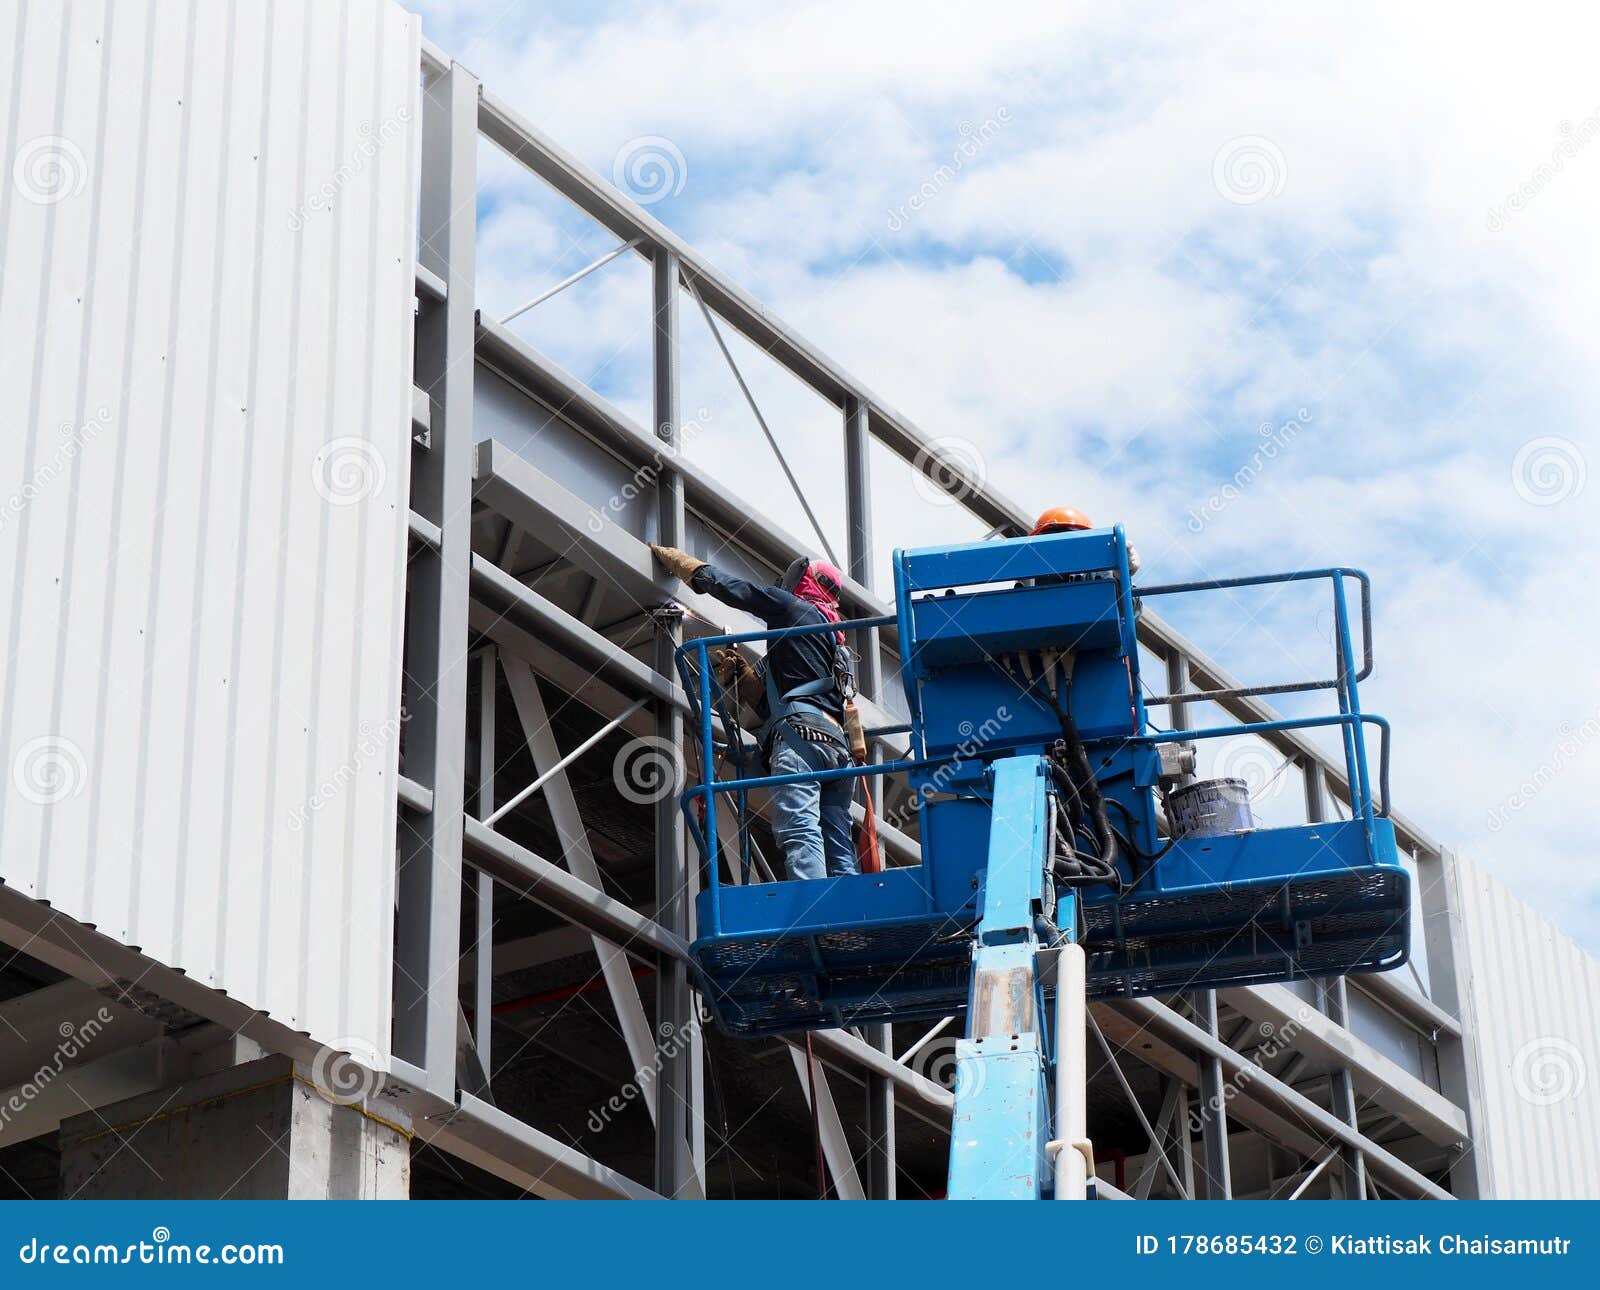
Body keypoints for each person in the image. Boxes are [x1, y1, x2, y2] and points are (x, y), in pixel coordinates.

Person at [650, 544, 857, 882]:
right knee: (839, 846)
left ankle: (819, 917)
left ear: (802, 582)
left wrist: (691, 568)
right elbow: (800, 693)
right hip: (837, 752)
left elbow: (738, 590)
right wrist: (749, 681)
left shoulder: (793, 607)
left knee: (801, 832)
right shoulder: (835, 641)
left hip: (800, 740)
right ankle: (853, 913)